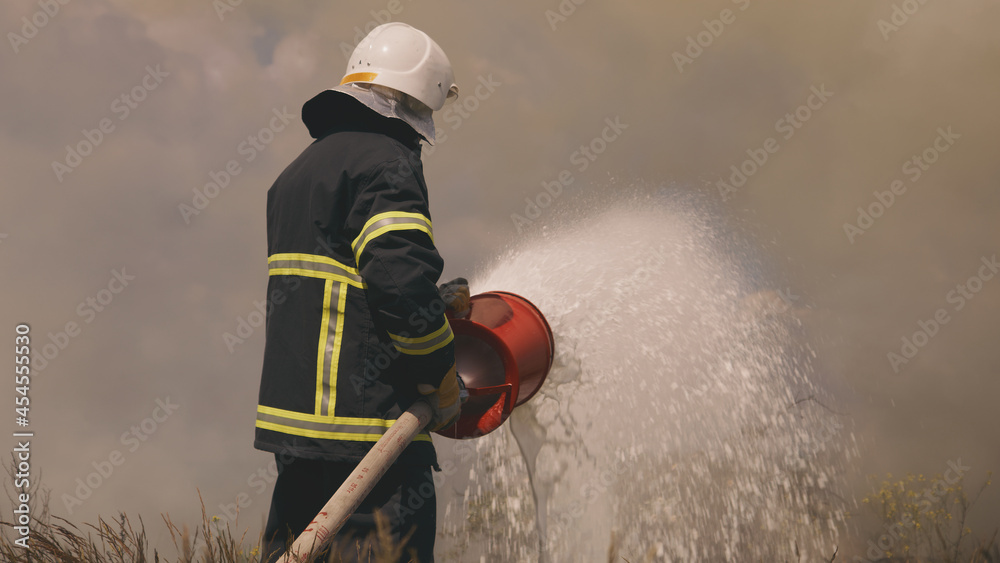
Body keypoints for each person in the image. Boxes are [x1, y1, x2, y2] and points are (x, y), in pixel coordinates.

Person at [255, 22, 466, 563]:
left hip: (297, 430)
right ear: (418, 104)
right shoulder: (387, 163)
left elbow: (348, 284)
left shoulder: (298, 172)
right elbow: (399, 284)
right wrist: (440, 369)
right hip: (368, 427)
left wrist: (435, 302)